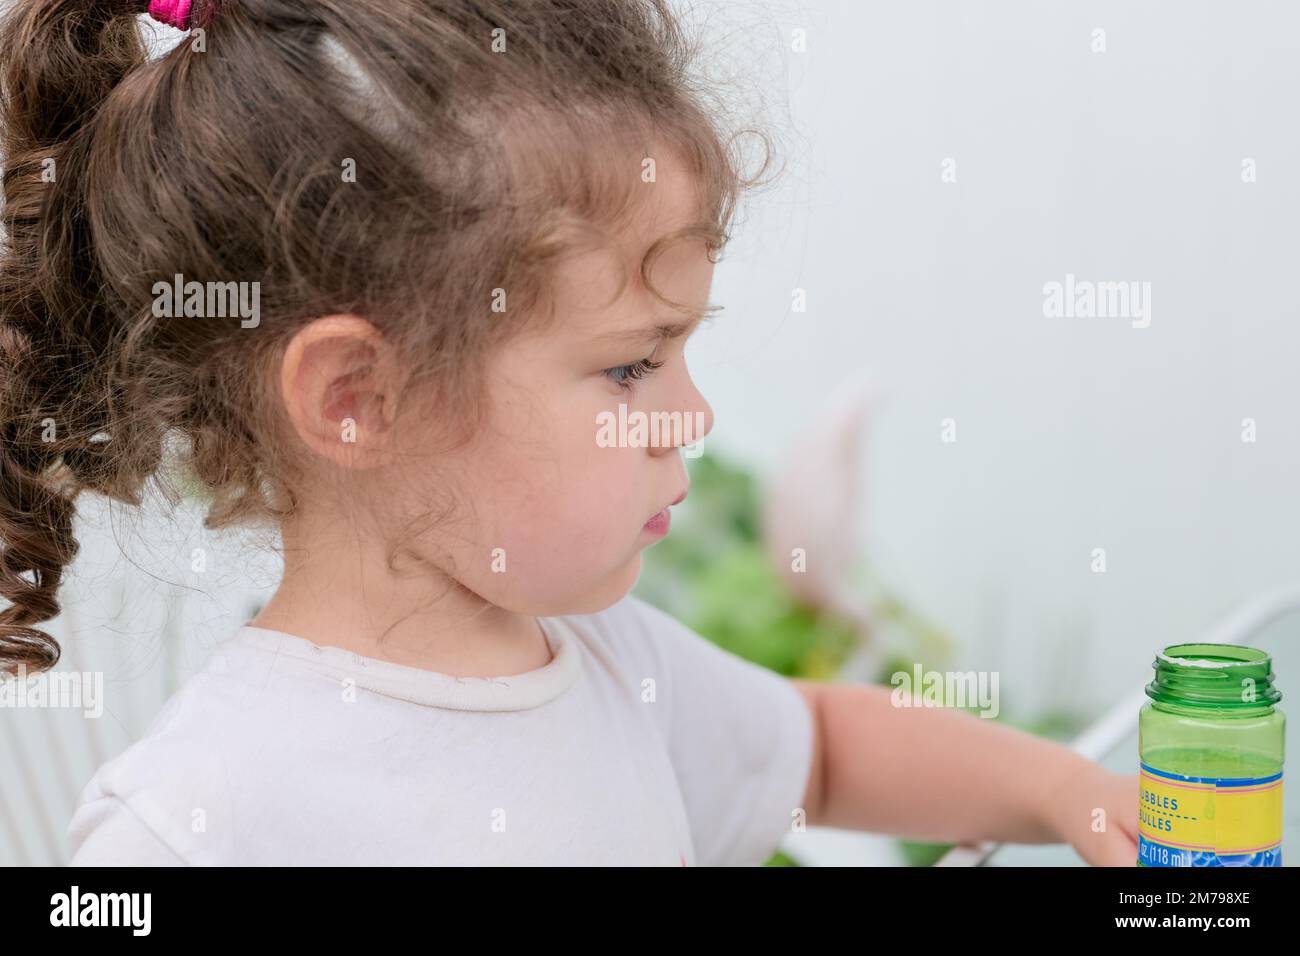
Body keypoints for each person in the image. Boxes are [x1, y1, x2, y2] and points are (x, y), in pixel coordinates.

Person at [0, 0, 1138, 866]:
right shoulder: (199, 823)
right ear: (359, 397)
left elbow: (825, 749)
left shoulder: (606, 667)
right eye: (631, 364)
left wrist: (1063, 792)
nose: (692, 413)